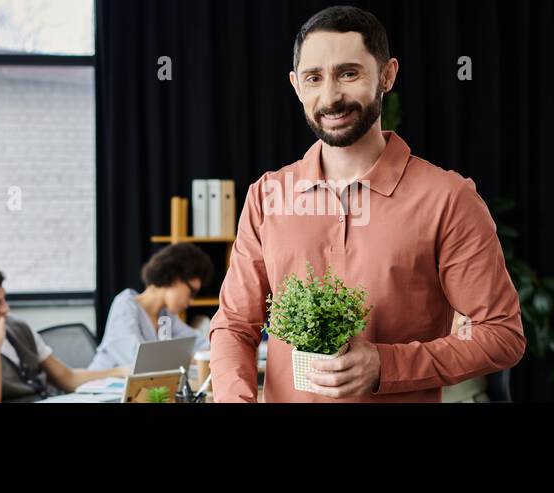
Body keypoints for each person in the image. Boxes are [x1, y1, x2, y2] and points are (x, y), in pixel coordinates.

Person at [209, 6, 525, 403]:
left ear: (387, 75)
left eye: (348, 73)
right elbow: (234, 326)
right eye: (313, 78)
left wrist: (386, 365)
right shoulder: (266, 196)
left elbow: (501, 334)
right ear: (296, 86)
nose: (330, 97)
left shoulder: (449, 198)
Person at [0, 258, 128, 403]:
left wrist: (123, 371)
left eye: (4, 299)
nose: (5, 309)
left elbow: (68, 379)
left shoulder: (17, 326)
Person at [88, 243, 213, 370]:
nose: (191, 301)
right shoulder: (125, 305)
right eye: (192, 292)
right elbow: (140, 361)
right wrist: (190, 358)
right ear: (175, 278)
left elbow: (199, 343)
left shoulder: (165, 315)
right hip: (102, 385)